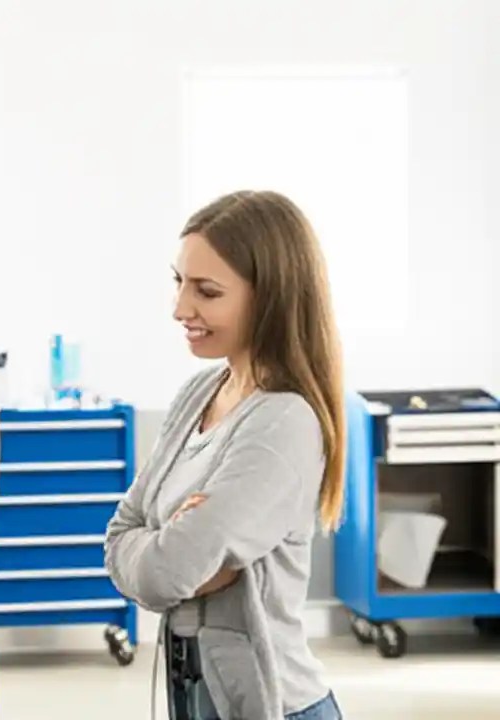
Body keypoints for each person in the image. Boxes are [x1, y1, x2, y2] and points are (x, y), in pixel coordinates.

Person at [104, 190, 346, 720]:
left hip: (274, 705)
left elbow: (164, 576)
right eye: (179, 282)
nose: (180, 309)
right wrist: (173, 547)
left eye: (207, 292)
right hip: (197, 696)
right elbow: (121, 534)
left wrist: (170, 549)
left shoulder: (282, 422)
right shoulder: (200, 391)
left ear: (272, 300)